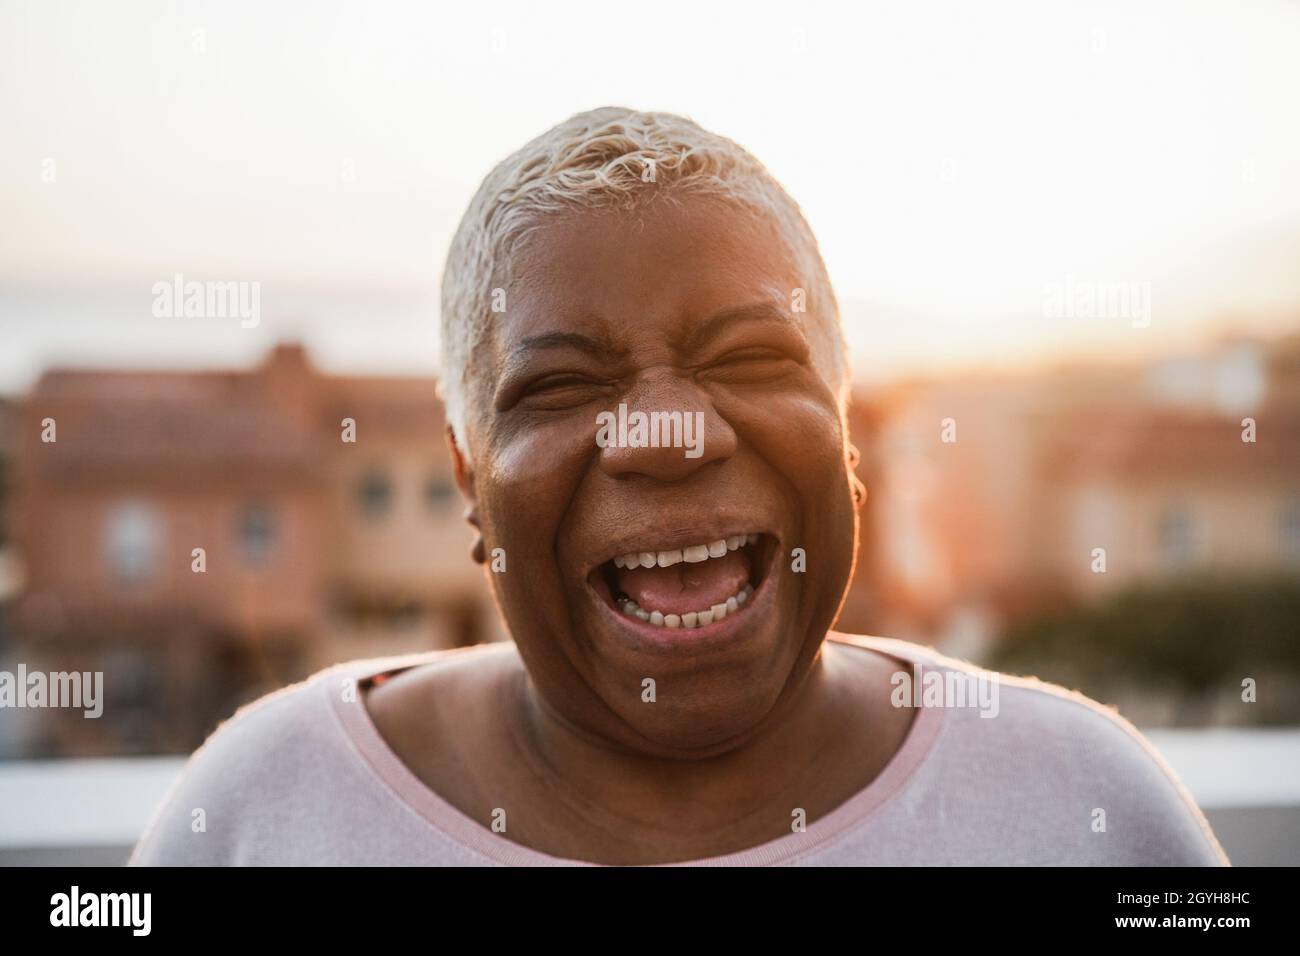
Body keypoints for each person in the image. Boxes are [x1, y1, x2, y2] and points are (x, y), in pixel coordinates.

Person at [131, 108, 1227, 866]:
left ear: (845, 428)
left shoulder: (1087, 807)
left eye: (751, 359)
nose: (670, 432)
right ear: (470, 480)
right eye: (561, 383)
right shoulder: (264, 810)